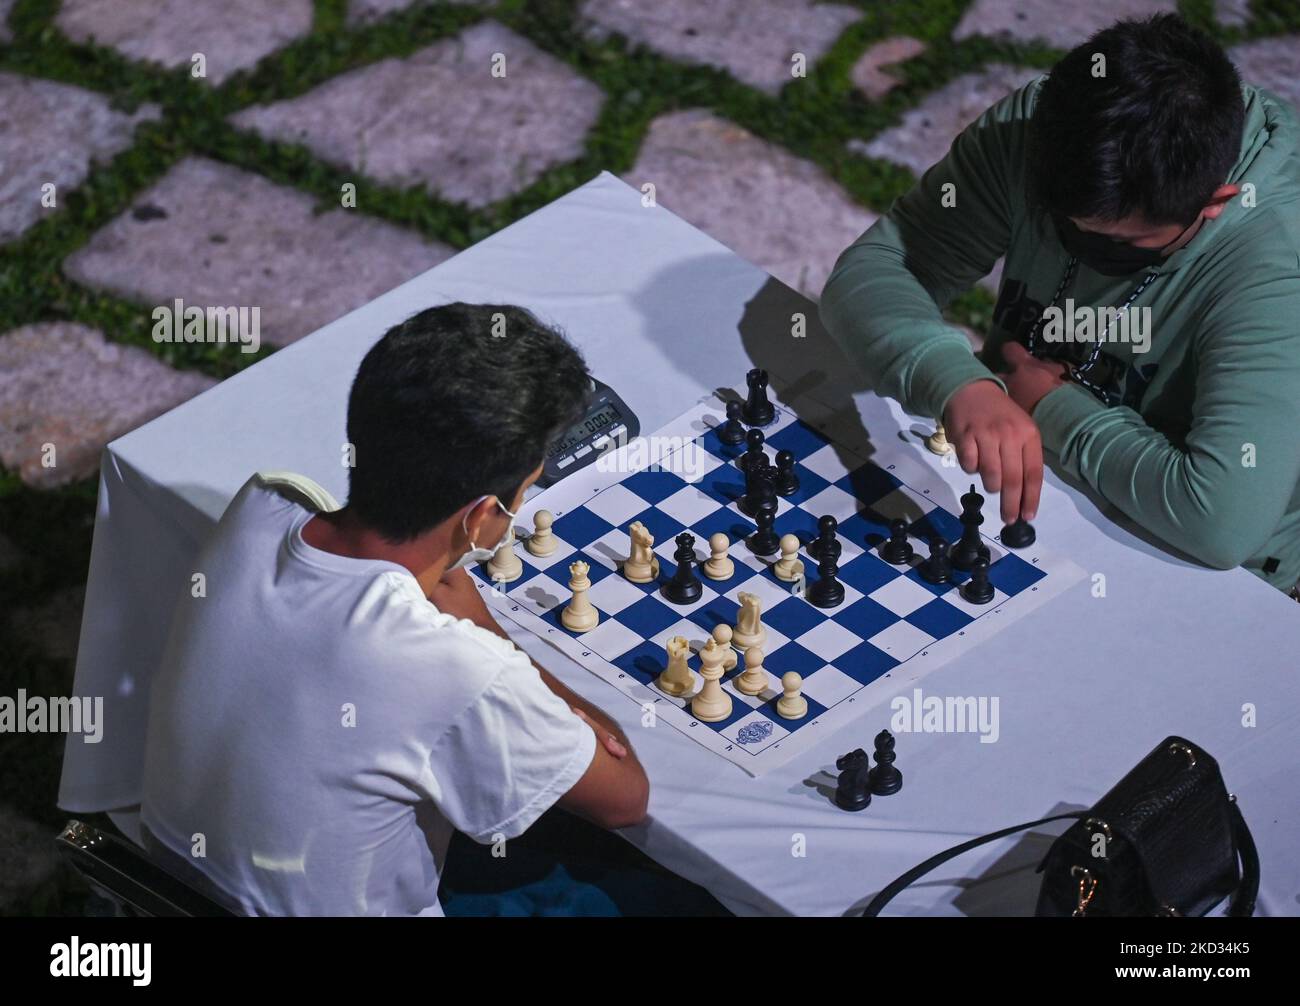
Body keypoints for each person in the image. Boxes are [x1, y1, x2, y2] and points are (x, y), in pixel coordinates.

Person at [140, 303, 649, 915]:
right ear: (485, 517)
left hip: (169, 886)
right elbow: (626, 799)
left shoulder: (257, 509)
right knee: (663, 889)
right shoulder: (458, 664)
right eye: (526, 488)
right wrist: (490, 634)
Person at [820, 14, 1300, 596]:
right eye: (1063, 226)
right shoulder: (1040, 130)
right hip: (1037, 489)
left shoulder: (1276, 260)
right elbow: (873, 270)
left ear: (1215, 202)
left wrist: (1047, 403)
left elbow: (1221, 522)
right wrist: (956, 382)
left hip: (1225, 577)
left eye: (1119, 243)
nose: (1085, 248)